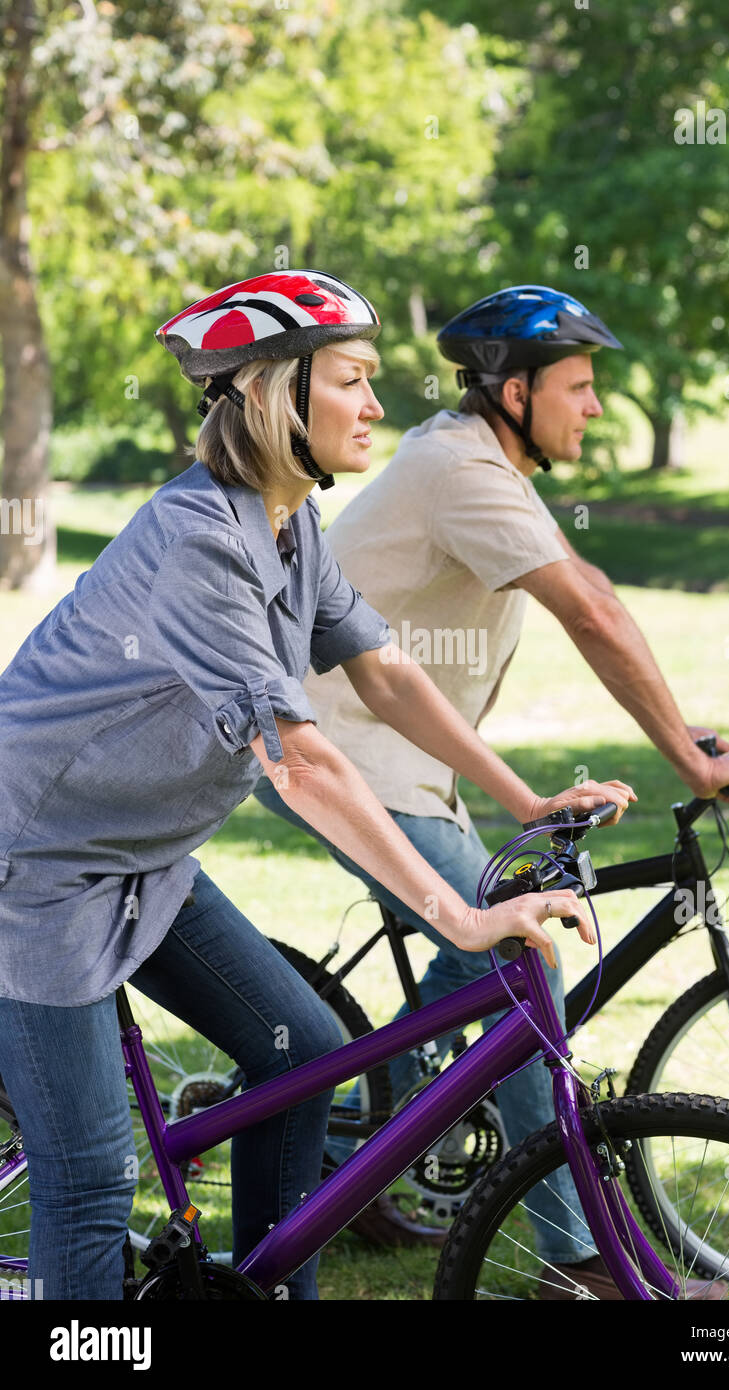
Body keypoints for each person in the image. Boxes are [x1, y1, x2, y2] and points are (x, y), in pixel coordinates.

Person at [0, 270, 599, 1301]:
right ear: (277, 394)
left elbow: (385, 670)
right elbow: (300, 756)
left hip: (143, 858)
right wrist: (456, 914)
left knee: (306, 1052)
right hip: (37, 869)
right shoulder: (198, 540)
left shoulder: (288, 526)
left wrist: (520, 797)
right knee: (93, 1179)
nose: (375, 406)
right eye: (353, 381)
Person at [253, 283, 729, 1299]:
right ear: (513, 389)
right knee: (508, 978)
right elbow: (591, 610)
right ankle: (576, 1259)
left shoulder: (484, 461)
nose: (592, 408)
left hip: (389, 753)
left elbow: (579, 584)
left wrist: (584, 771)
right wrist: (689, 760)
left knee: (481, 978)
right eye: (576, 388)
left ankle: (352, 1160)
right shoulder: (458, 467)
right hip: (339, 753)